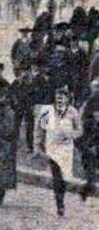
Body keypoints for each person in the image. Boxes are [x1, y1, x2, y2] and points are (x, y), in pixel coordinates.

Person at [35, 87, 83, 216]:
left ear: (68, 99)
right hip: (52, 148)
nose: (60, 100)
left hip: (66, 149)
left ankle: (61, 195)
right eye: (58, 97)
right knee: (57, 175)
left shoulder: (73, 112)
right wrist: (38, 145)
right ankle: (60, 202)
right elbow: (40, 129)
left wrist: (71, 135)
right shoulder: (48, 111)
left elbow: (79, 130)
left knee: (64, 177)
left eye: (63, 97)